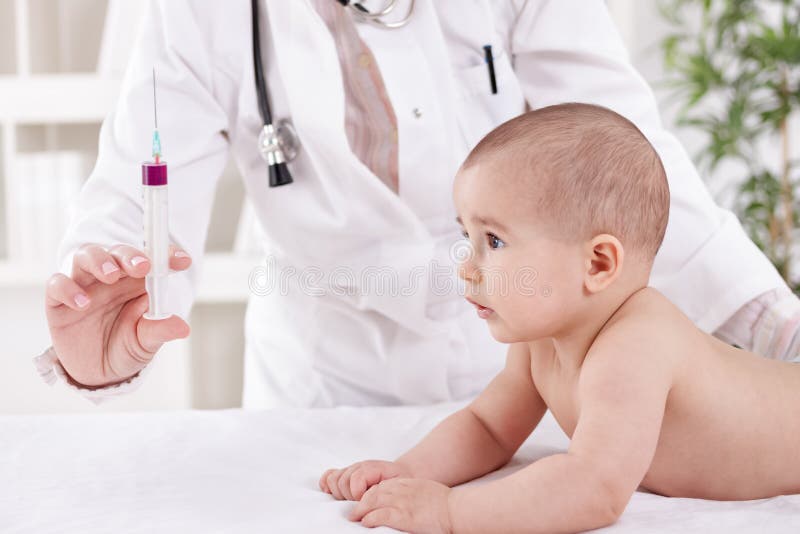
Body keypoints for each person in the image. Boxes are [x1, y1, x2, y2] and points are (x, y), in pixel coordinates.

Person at [37, 0, 799, 408]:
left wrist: (771, 326)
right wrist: (98, 343)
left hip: (518, 373)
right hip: (319, 389)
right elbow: (138, 200)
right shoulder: (202, 14)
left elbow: (634, 161)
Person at [319, 103, 800, 534]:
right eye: (468, 235)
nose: (466, 267)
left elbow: (594, 487)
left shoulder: (637, 344)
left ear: (597, 265)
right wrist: (409, 472)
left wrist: (451, 513)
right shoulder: (541, 342)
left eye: (495, 242)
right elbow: (488, 427)